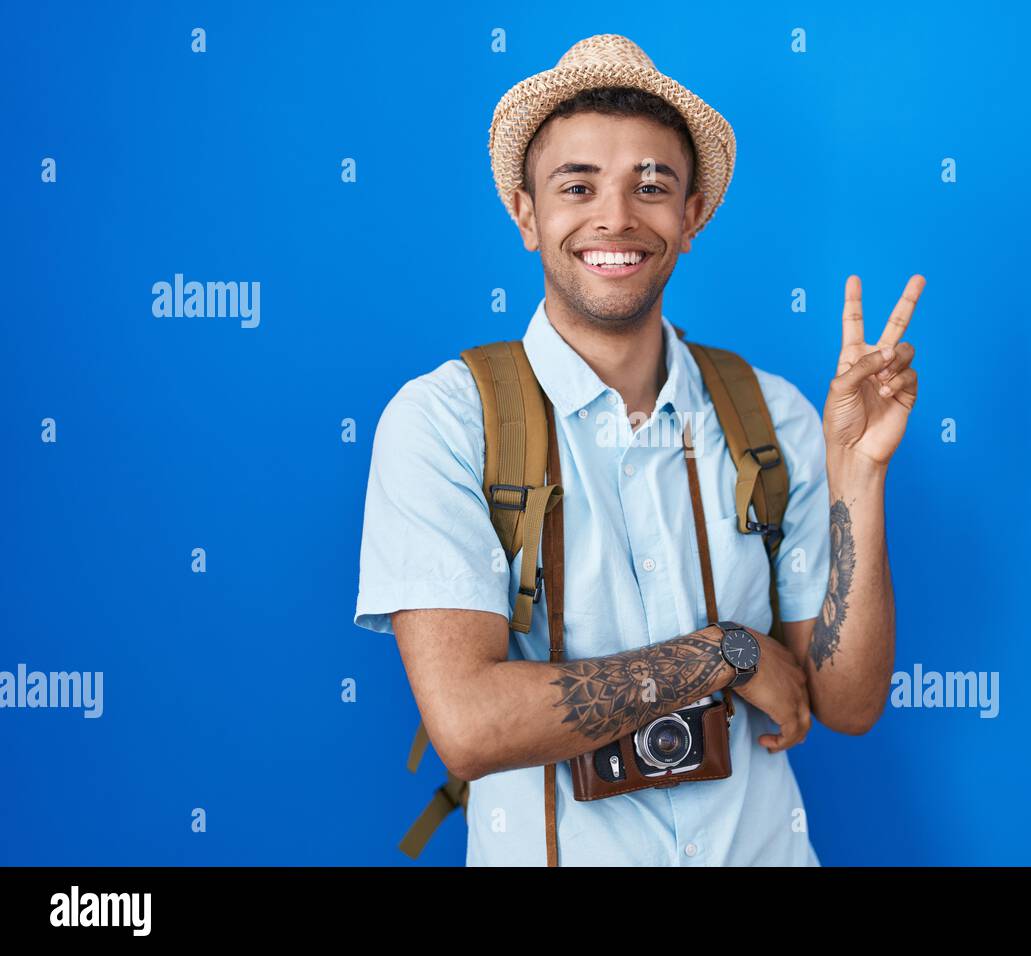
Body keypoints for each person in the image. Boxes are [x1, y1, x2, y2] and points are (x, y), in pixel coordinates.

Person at [354, 34, 924, 866]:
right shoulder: (443, 421)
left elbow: (848, 701)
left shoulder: (776, 414)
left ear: (691, 216)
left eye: (651, 186)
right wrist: (721, 656)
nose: (615, 217)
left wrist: (860, 478)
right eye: (576, 185)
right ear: (526, 215)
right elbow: (468, 727)